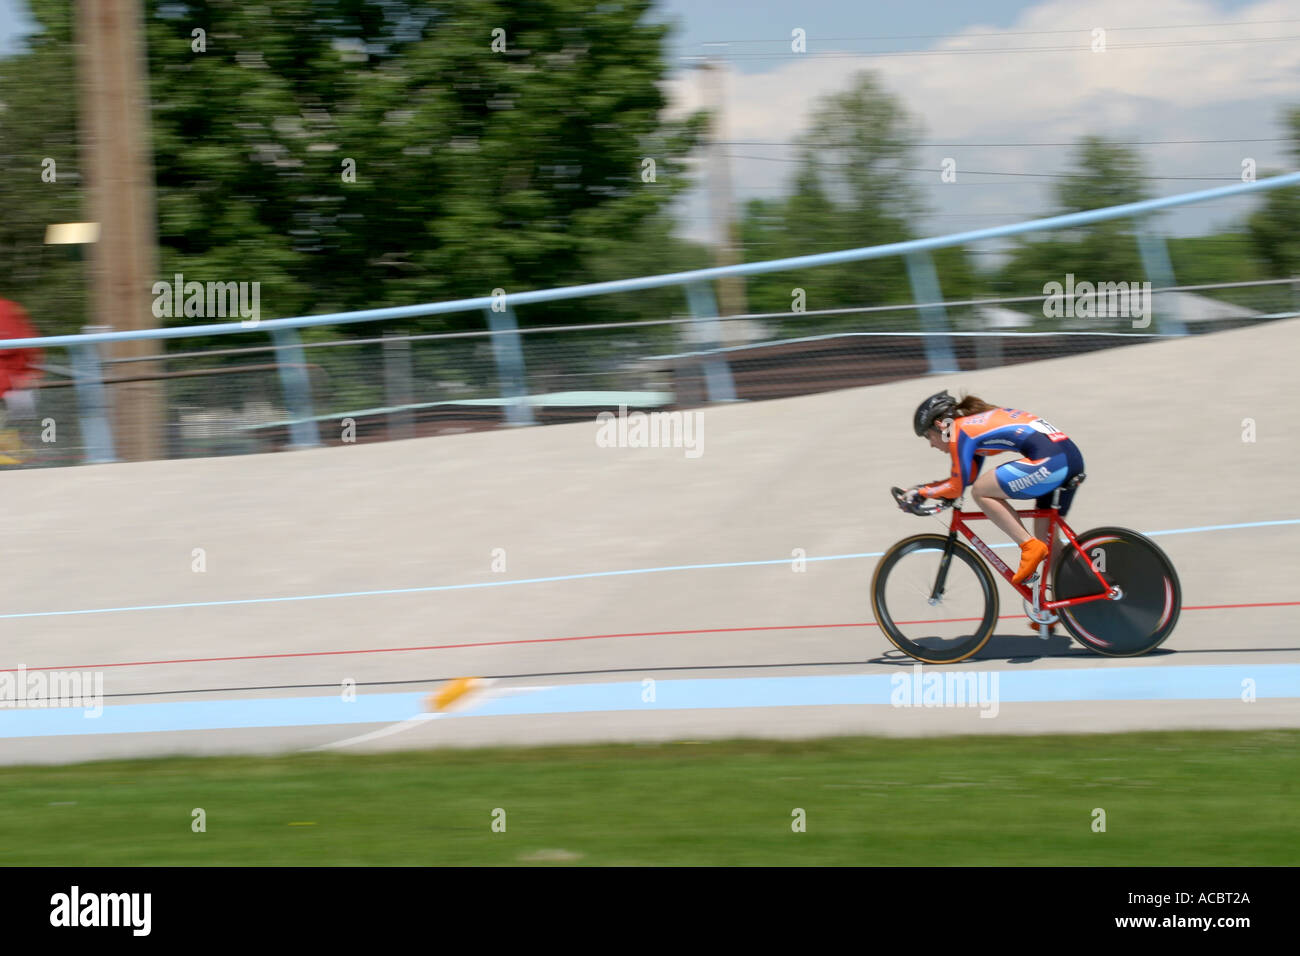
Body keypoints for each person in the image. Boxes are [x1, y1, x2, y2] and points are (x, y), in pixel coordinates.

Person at [903, 390, 1085, 593]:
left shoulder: (959, 430)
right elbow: (966, 478)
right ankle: (1064, 605)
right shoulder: (973, 426)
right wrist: (935, 491)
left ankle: (1027, 545)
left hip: (1052, 462)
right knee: (1047, 539)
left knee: (981, 491)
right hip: (1069, 458)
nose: (930, 444)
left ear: (939, 426)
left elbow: (957, 487)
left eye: (928, 436)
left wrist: (921, 492)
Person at [0, 298, 44, 465]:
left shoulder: (7, 308)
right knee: (22, 447)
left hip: (14, 386)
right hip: (17, 385)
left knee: (20, 448)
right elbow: (30, 345)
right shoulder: (9, 307)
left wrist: (30, 373)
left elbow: (28, 345)